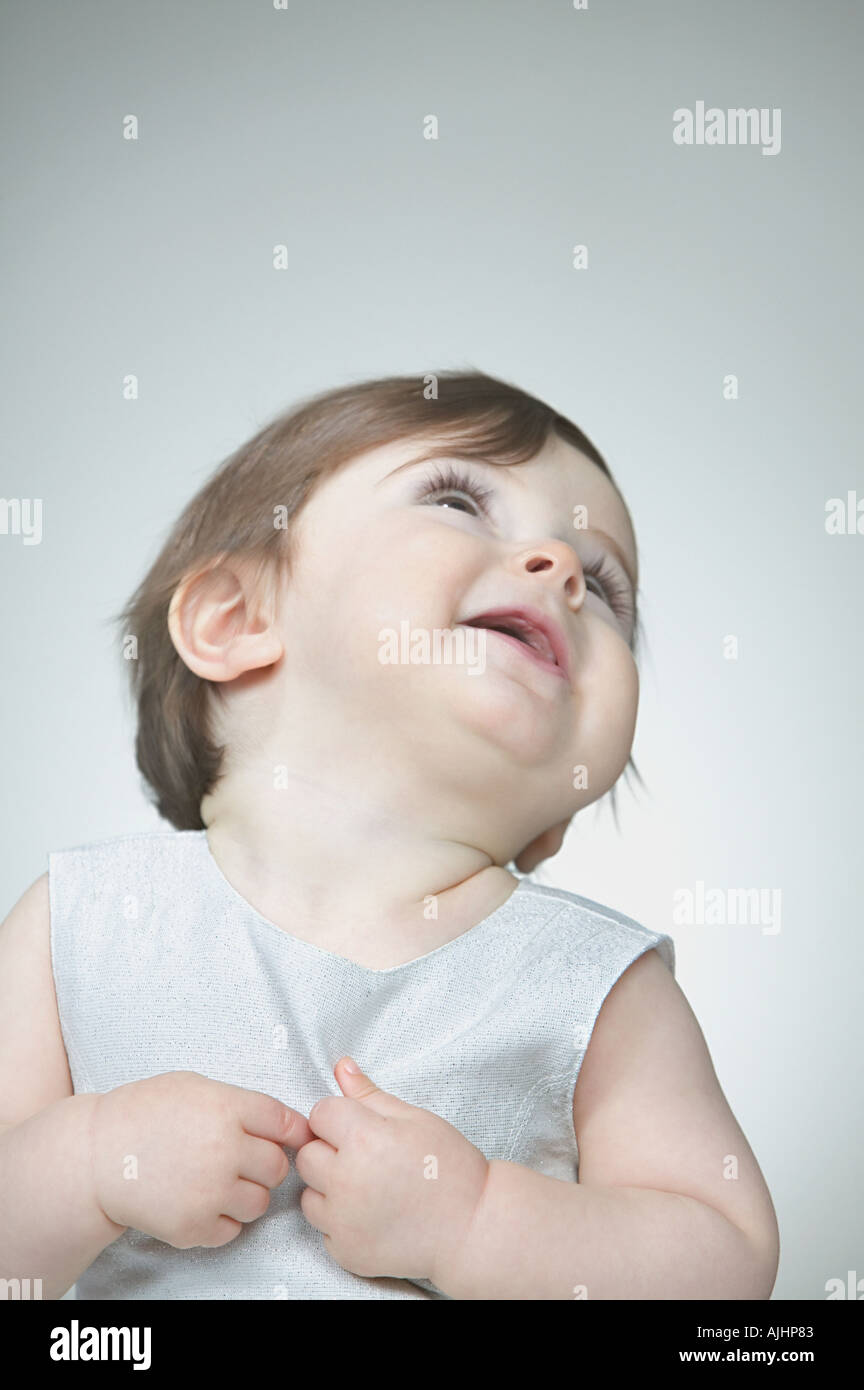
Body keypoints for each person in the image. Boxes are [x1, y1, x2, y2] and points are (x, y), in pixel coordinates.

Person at [0, 370, 779, 1299]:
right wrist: (95, 1162)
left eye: (606, 585)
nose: (561, 569)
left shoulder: (598, 987)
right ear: (236, 619)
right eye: (458, 499)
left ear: (560, 814)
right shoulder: (83, 927)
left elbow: (725, 1271)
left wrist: (480, 1221)